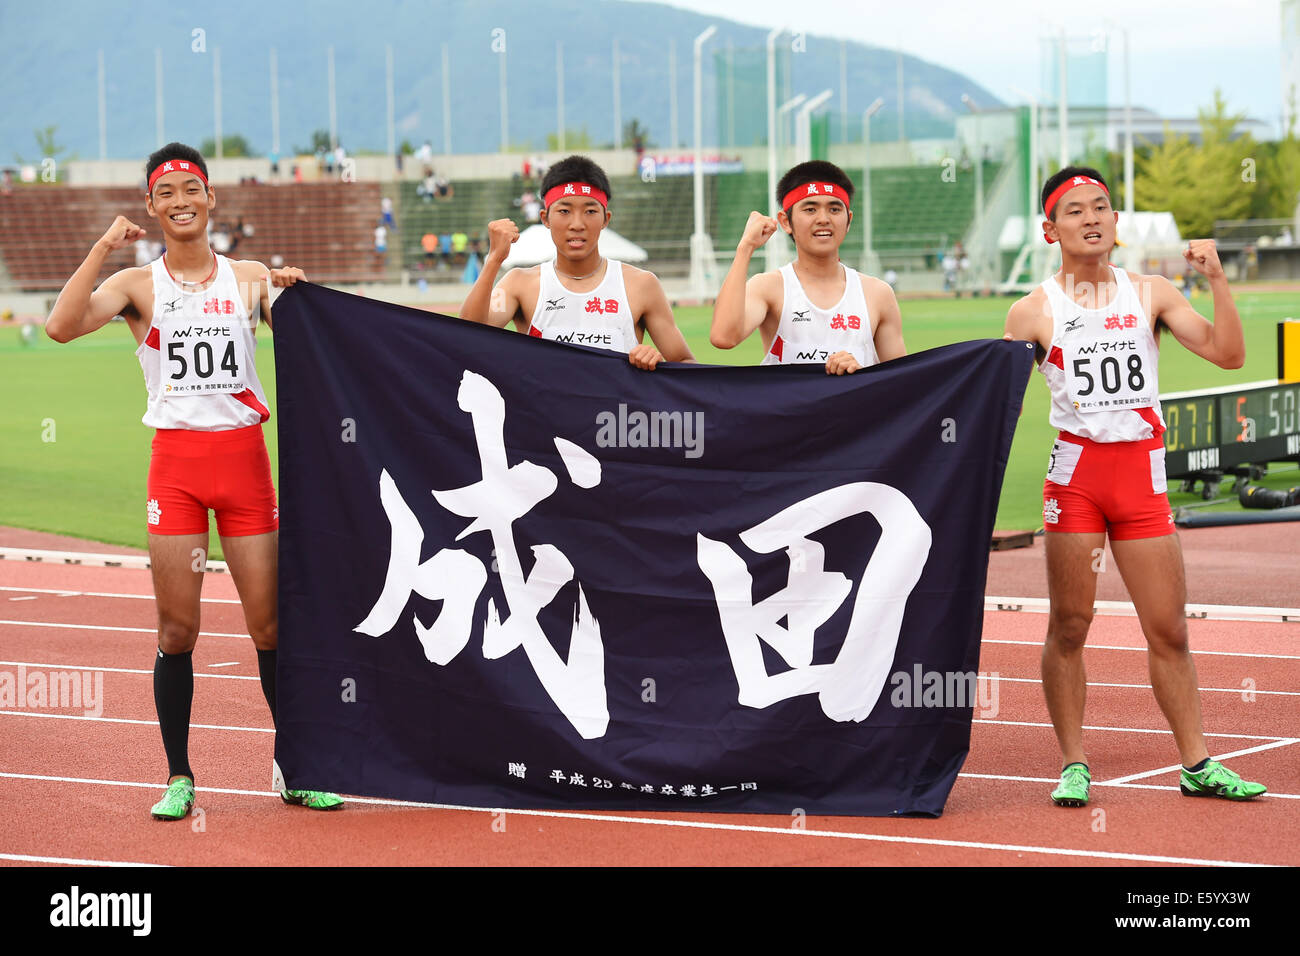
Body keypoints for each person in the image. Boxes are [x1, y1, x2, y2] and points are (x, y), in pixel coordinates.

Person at [43, 143, 344, 819]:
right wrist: (102, 246)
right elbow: (61, 326)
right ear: (151, 206)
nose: (181, 202)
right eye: (166, 193)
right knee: (178, 629)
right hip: (176, 469)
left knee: (269, 626)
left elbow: (314, 343)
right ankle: (180, 776)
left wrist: (295, 292)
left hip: (244, 465)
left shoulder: (250, 277)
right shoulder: (136, 287)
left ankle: (298, 766)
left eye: (192, 190)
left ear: (211, 200)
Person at [1003, 165, 1265, 807]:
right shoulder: (1032, 310)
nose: (1091, 218)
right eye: (1075, 210)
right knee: (1070, 622)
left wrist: (1218, 280)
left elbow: (1229, 355)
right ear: (1049, 229)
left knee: (1168, 627)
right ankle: (1073, 763)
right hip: (1077, 478)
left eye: (1102, 207)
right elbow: (993, 403)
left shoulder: (1150, 292)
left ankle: (1197, 763)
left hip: (1140, 475)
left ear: (1117, 223)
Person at [458, 154, 694, 370]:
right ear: (545, 218)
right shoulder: (520, 284)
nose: (577, 224)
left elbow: (686, 363)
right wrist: (494, 260)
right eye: (564, 211)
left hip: (613, 416)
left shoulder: (641, 285)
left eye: (590, 211)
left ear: (605, 219)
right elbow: (466, 338)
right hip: (545, 416)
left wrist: (658, 365)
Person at [709, 160, 905, 374]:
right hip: (786, 407)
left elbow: (899, 383)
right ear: (785, 221)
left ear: (848, 220)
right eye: (810, 209)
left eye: (834, 209)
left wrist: (860, 374)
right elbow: (723, 337)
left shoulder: (877, 293)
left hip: (854, 407)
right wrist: (745, 247)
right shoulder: (770, 287)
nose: (823, 219)